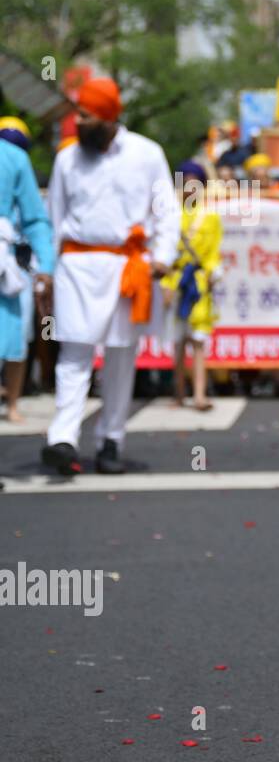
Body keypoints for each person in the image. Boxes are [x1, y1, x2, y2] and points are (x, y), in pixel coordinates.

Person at [41, 77, 180, 475]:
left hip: (128, 269)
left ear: (106, 116)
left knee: (121, 357)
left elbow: (166, 211)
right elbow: (55, 220)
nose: (77, 122)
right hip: (77, 267)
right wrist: (46, 273)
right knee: (74, 351)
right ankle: (62, 438)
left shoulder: (147, 154)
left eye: (84, 115)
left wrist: (163, 256)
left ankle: (111, 441)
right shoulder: (67, 158)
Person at [0, 117, 54, 423]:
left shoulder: (13, 159)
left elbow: (35, 219)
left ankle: (13, 402)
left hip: (9, 267)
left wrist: (46, 266)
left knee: (15, 339)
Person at [163, 160, 223, 411]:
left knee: (198, 341)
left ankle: (199, 395)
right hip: (177, 282)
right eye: (186, 183)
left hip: (197, 285)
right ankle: (179, 394)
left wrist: (211, 274)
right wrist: (166, 283)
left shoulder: (210, 218)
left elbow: (213, 254)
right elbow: (165, 253)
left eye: (195, 183)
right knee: (178, 342)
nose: (190, 188)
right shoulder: (171, 216)